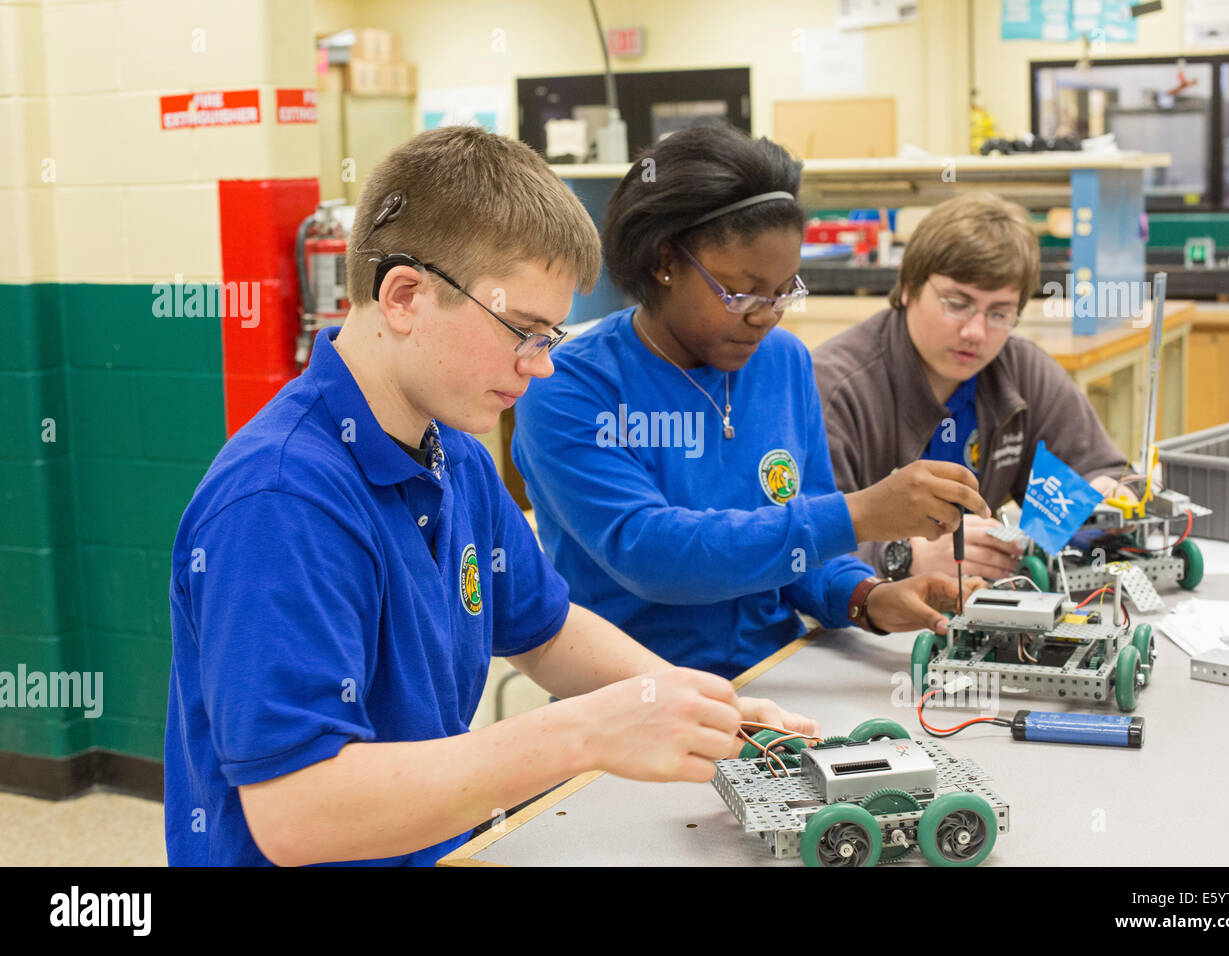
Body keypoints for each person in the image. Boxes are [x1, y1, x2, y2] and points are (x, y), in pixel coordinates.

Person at [164, 126, 817, 867]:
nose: (540, 368)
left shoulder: (458, 459)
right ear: (406, 297)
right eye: (525, 332)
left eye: (552, 336)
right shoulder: (282, 500)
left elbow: (543, 630)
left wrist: (693, 703)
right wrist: (587, 733)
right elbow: (297, 813)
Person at [512, 122, 988, 681]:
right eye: (742, 293)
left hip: (778, 673)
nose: (765, 315)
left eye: (785, 291)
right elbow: (655, 556)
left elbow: (798, 545)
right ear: (665, 262)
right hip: (635, 699)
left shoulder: (783, 361)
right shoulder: (569, 385)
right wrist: (859, 513)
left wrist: (865, 597)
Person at [813, 191, 1129, 584]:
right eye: (957, 303)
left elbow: (1108, 472)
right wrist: (903, 556)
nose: (975, 332)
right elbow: (801, 541)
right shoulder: (835, 389)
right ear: (909, 286)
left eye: (999, 313)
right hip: (852, 627)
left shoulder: (1021, 370)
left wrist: (1107, 498)